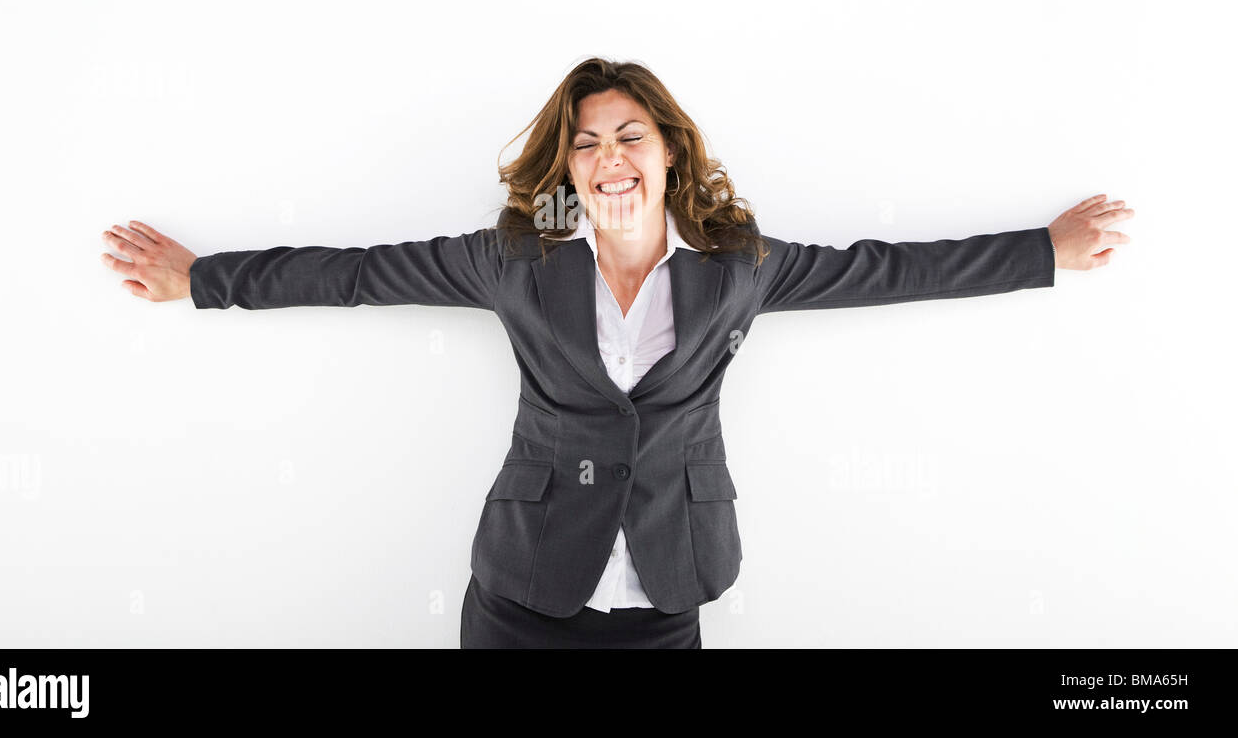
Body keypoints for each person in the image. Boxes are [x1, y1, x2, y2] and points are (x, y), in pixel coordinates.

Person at [99, 57, 1133, 648]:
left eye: (628, 134)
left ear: (667, 148)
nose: (608, 159)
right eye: (586, 144)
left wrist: (1046, 250)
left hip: (666, 593)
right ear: (567, 169)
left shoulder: (739, 265)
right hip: (520, 595)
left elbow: (890, 268)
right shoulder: (515, 256)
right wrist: (200, 276)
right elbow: (357, 270)